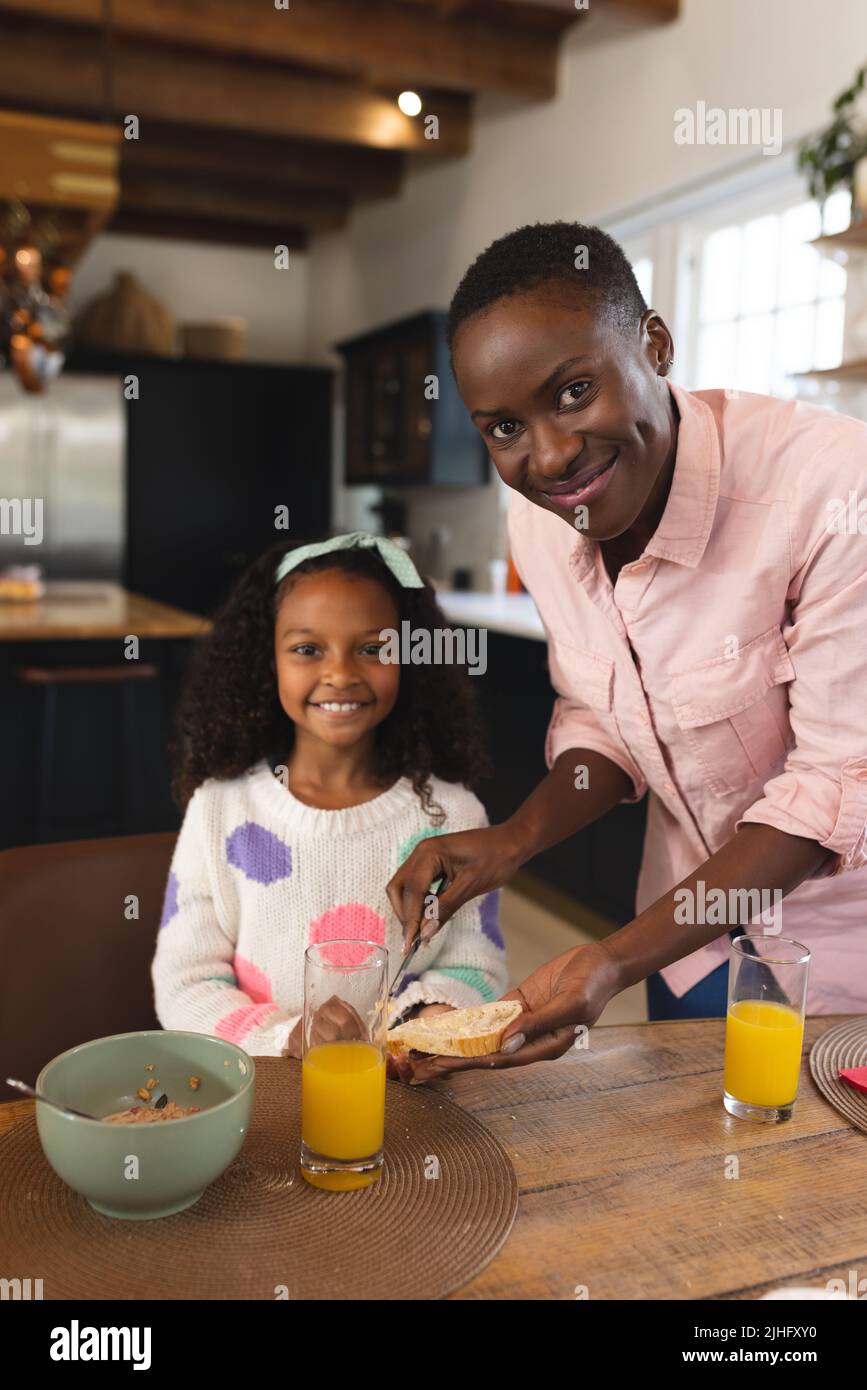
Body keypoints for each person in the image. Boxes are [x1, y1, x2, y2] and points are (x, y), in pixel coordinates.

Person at [387, 221, 867, 1082]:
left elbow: (826, 792)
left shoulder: (832, 489)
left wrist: (612, 959)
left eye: (573, 392)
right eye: (504, 427)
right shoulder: (537, 522)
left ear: (653, 343)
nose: (552, 456)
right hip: (687, 945)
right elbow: (605, 719)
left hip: (841, 960)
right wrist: (512, 840)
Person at [152, 533, 507, 1059]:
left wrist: (431, 1019)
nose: (340, 673)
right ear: (265, 661)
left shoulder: (454, 815)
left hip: (403, 1098)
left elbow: (477, 967)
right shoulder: (220, 809)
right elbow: (183, 984)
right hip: (261, 1094)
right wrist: (288, 1036)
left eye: (372, 649)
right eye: (307, 649)